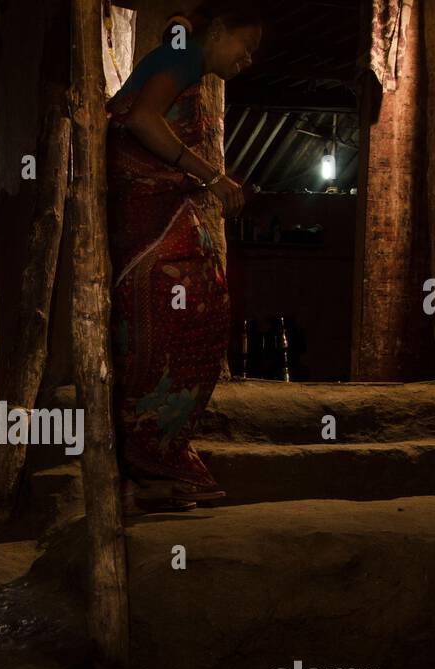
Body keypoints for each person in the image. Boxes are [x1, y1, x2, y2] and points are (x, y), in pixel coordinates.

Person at [107, 3, 264, 512]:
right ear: (219, 28)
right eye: (247, 45)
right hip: (147, 213)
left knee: (206, 309)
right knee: (186, 311)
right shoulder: (178, 54)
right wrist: (211, 176)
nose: (249, 59)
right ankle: (149, 459)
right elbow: (142, 118)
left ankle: (163, 453)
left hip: (165, 206)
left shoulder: (188, 62)